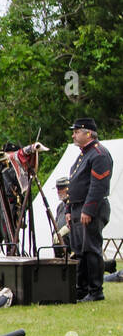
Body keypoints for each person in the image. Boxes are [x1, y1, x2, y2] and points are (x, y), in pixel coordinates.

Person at [65, 116, 113, 302]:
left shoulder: (99, 154)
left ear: (88, 133)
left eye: (76, 132)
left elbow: (98, 185)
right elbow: (74, 184)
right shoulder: (85, 154)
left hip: (92, 207)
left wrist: (88, 210)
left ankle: (95, 291)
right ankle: (82, 288)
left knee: (91, 249)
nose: (73, 135)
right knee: (79, 250)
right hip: (78, 207)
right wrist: (69, 209)